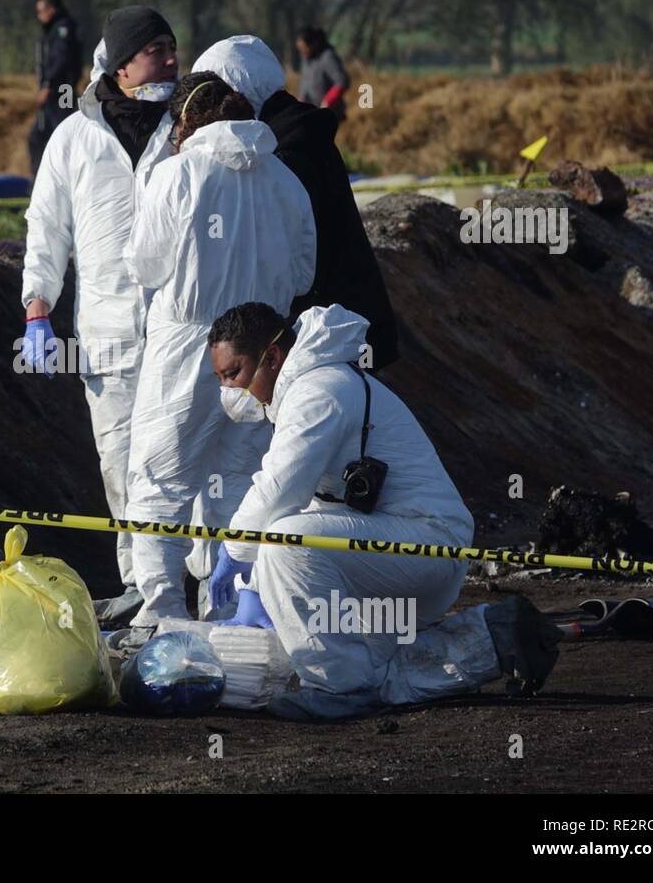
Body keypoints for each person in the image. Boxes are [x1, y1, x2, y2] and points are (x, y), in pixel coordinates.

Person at [207, 301, 560, 719]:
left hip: (426, 544)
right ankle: (495, 636)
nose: (229, 390)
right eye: (221, 378)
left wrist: (235, 552)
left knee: (285, 545)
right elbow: (311, 504)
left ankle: (339, 690)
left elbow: (280, 488)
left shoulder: (318, 392)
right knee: (377, 669)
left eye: (234, 373)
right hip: (392, 546)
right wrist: (256, 589)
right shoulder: (308, 389)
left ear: (272, 357)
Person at [120, 73, 316, 632]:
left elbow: (146, 265)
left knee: (160, 482)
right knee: (240, 484)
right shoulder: (286, 180)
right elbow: (303, 274)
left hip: (186, 344)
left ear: (185, 123)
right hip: (262, 350)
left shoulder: (178, 174)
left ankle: (161, 620)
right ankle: (231, 619)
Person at [21, 6, 179, 627]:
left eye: (173, 48)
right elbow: (46, 228)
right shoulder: (74, 138)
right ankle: (140, 585)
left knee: (179, 466)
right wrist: (38, 306)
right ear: (120, 65)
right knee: (121, 465)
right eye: (156, 50)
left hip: (181, 333)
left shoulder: (187, 130)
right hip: (108, 338)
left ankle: (200, 586)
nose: (169, 60)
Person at [193, 35, 398, 369]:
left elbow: (288, 250)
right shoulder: (300, 131)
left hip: (330, 325)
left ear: (239, 92)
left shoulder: (284, 151)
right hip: (349, 313)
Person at [28, 0, 83, 177]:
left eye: (41, 11)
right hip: (54, 92)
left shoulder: (63, 29)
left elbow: (62, 60)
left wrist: (48, 85)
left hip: (63, 89)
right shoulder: (53, 30)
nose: (39, 16)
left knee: (65, 131)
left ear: (51, 9)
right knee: (39, 137)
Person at [295, 26, 350, 126]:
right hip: (311, 115)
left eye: (304, 48)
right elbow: (305, 84)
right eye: (300, 49)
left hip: (330, 117)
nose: (302, 52)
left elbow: (342, 81)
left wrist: (327, 102)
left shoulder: (328, 57)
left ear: (313, 44)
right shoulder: (306, 60)